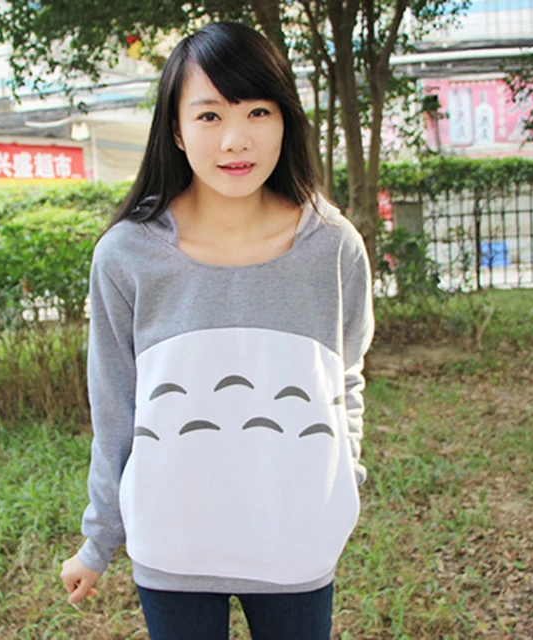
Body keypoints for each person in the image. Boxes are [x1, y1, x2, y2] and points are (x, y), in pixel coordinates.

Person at [60, 21, 374, 640]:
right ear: (176, 130)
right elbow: (115, 408)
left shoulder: (333, 246)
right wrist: (98, 541)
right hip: (172, 543)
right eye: (209, 116)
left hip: (296, 540)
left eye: (258, 111)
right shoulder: (127, 255)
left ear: (285, 120)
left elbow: (344, 378)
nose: (236, 139)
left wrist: (345, 482)